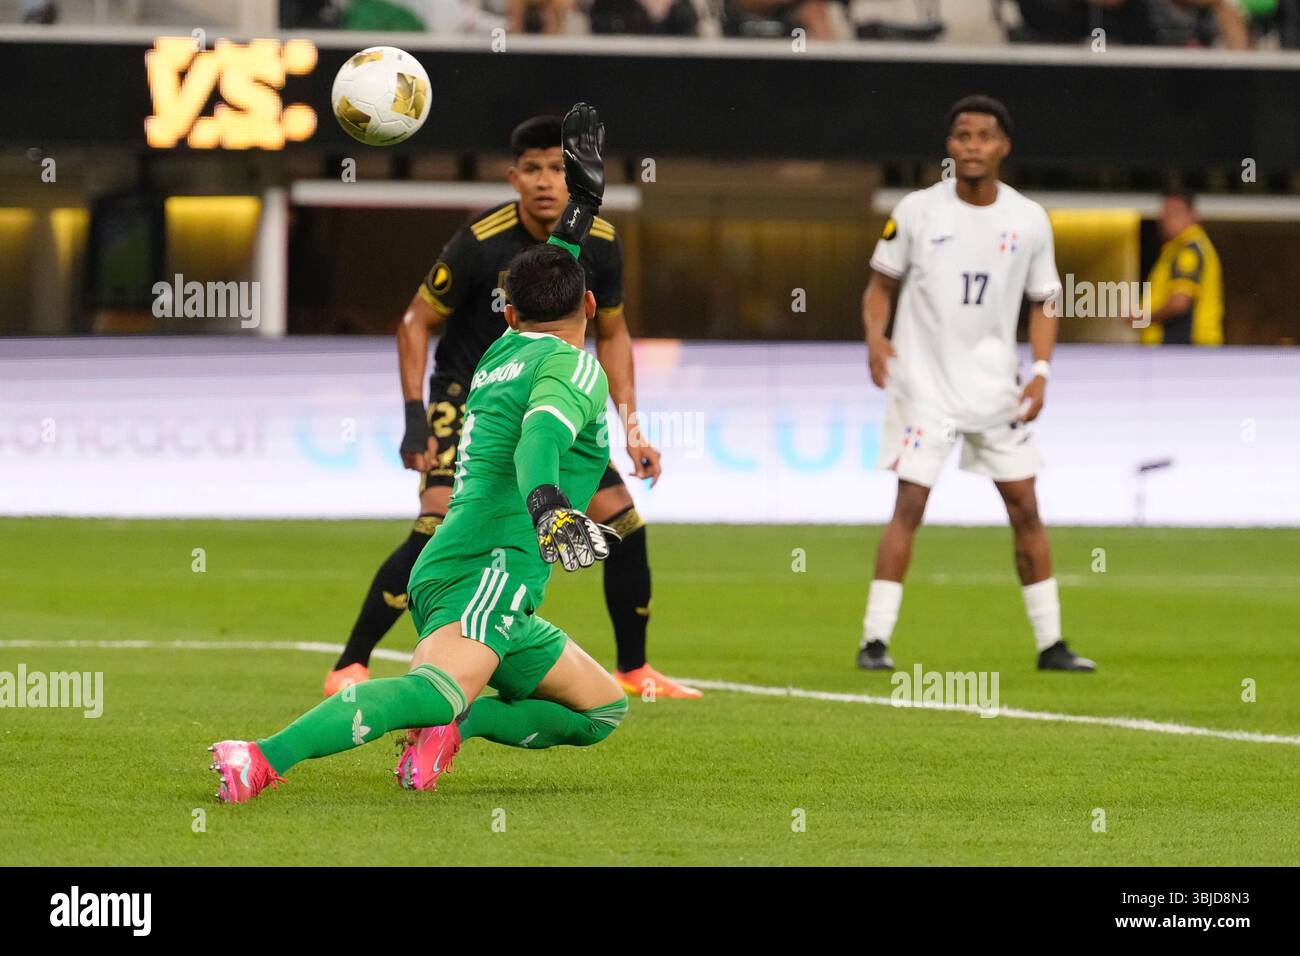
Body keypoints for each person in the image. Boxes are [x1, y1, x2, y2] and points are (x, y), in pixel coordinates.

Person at [209, 105, 631, 802]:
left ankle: (453, 727)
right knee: (430, 691)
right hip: (492, 567)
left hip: (464, 566)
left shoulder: (504, 348)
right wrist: (551, 505)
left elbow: (554, 276)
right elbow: (541, 440)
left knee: (600, 711)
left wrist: (583, 205)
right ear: (591, 302)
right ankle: (259, 756)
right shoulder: (575, 370)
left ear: (511, 310)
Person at [325, 113, 700, 701]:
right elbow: (414, 323)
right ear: (514, 177)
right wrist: (414, 416)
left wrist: (631, 428)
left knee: (623, 522)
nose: (547, 180)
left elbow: (616, 334)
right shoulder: (479, 242)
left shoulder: (597, 243)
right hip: (477, 399)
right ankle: (351, 664)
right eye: (534, 169)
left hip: (553, 401)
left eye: (558, 167)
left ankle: (634, 668)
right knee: (436, 524)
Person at [857, 94, 1095, 673]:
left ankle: (1051, 644)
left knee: (1026, 508)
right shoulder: (917, 211)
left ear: (1003, 146)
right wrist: (876, 338)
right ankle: (874, 641)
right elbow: (879, 287)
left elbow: (1045, 302)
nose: (972, 146)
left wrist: (1040, 372)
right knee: (909, 503)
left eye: (984, 136)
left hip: (996, 389)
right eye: (962, 135)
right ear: (950, 145)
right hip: (925, 386)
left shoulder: (1028, 219)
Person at [1138, 191, 1224, 346]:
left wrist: (1144, 318)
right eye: (1163, 214)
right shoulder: (1176, 250)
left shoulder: (1189, 251)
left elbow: (1179, 303)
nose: (1165, 220)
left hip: (1185, 349)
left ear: (1193, 216)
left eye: (1174, 213)